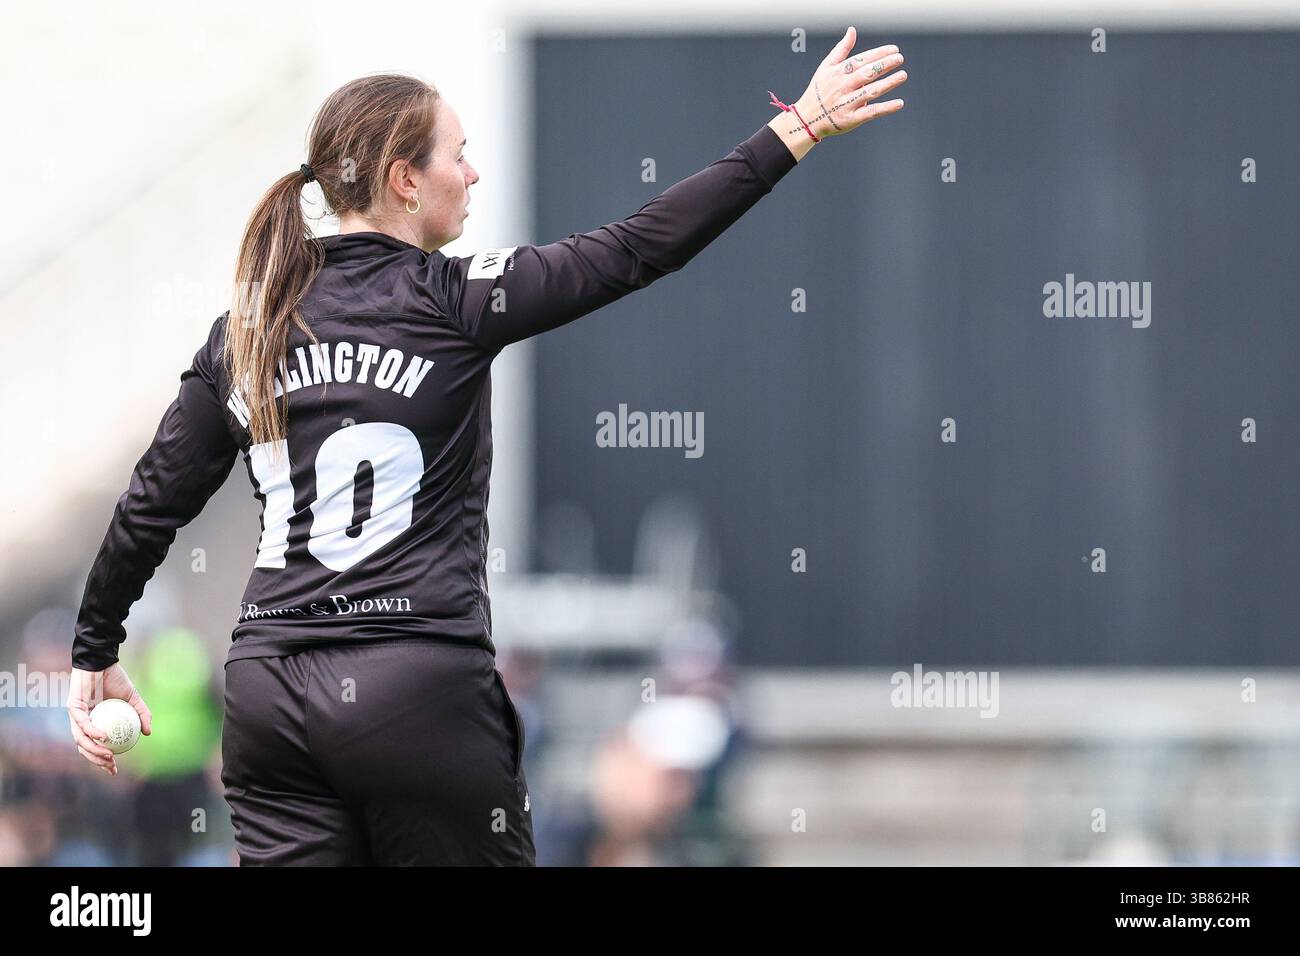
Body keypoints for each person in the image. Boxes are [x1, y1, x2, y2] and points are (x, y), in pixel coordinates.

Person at [65, 27, 907, 865]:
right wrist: (795, 129)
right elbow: (642, 247)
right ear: (404, 180)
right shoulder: (458, 297)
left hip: (269, 691)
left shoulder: (246, 329)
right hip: (415, 686)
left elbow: (151, 503)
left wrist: (94, 648)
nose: (472, 174)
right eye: (456, 156)